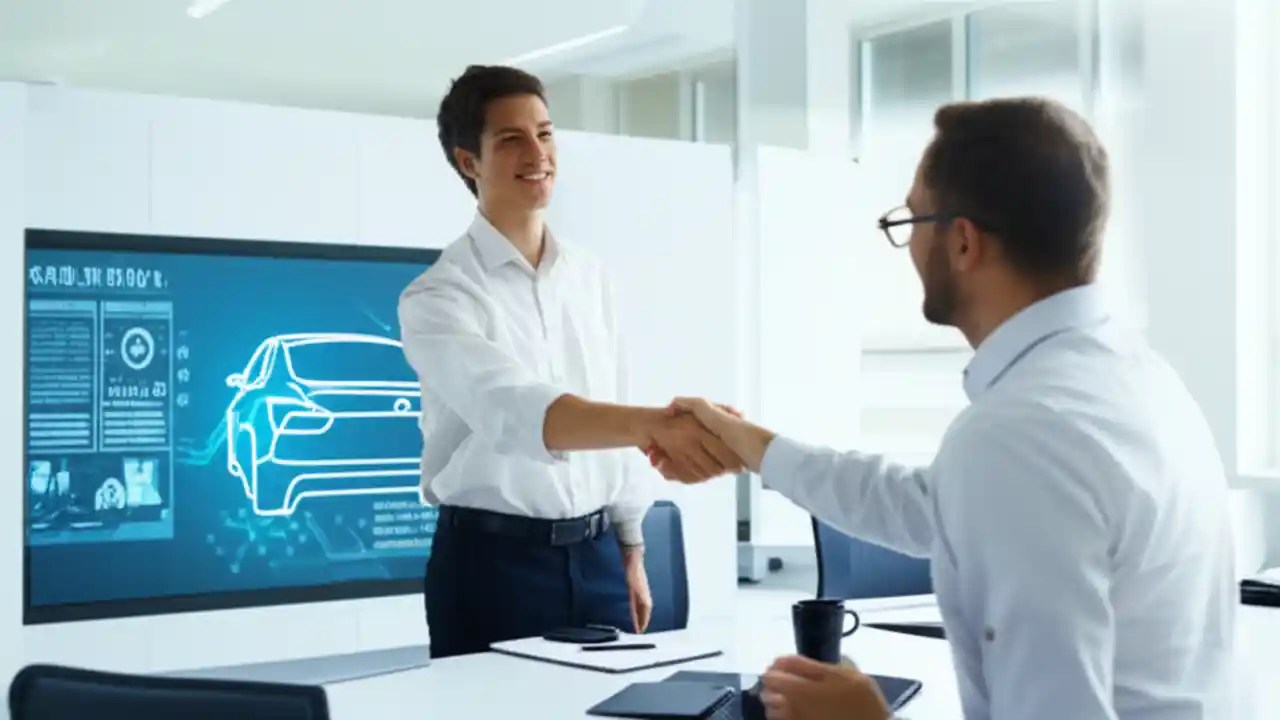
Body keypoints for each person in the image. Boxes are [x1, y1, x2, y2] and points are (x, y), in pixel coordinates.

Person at [658, 98, 1236, 719]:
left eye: (911, 219)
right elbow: (929, 506)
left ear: (962, 241)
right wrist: (754, 447)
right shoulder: (1134, 379)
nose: (907, 243)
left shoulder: (1021, 435)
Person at [398, 65, 743, 659]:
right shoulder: (438, 297)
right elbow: (515, 411)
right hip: (491, 567)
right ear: (469, 161)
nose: (538, 154)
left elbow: (614, 398)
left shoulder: (588, 276)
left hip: (598, 555)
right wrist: (657, 424)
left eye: (545, 133)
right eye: (512, 139)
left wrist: (630, 546)